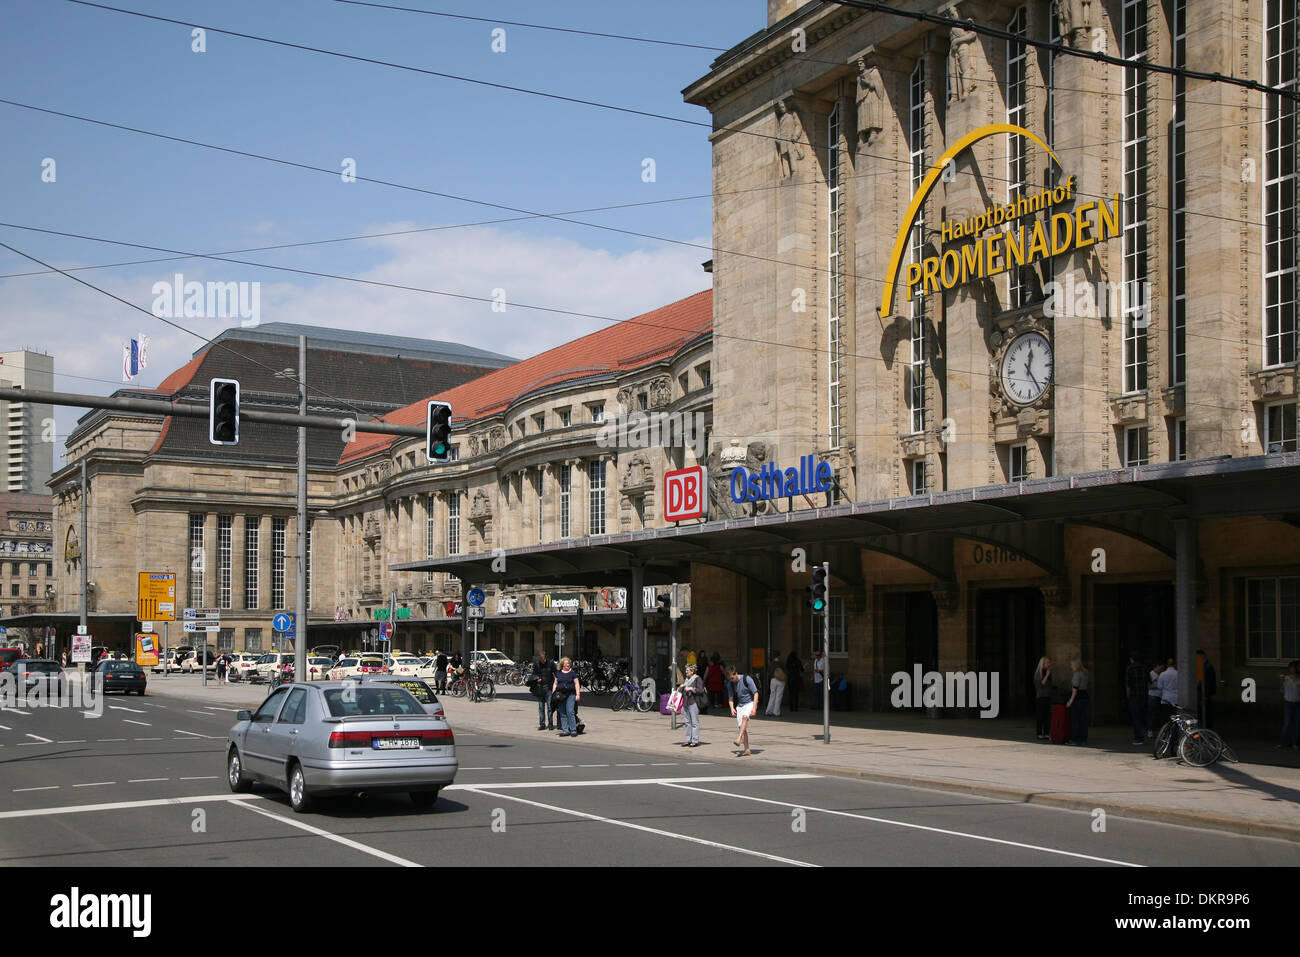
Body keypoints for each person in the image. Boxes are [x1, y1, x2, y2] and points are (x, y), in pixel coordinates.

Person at [726, 665, 759, 756]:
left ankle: (739, 738)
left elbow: (755, 693)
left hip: (749, 703)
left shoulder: (746, 679)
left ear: (736, 674)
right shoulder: (730, 684)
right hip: (740, 706)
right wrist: (732, 708)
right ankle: (747, 749)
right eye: (730, 679)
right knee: (742, 728)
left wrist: (754, 708)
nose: (732, 680)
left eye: (733, 678)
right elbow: (731, 698)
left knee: (745, 718)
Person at [551, 657, 581, 737]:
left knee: (570, 711)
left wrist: (578, 694)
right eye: (566, 663)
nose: (568, 664)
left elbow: (576, 684)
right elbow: (555, 683)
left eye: (569, 663)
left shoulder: (572, 673)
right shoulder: (559, 673)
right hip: (560, 695)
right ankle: (565, 730)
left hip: (570, 694)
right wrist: (553, 693)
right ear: (562, 664)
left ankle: (573, 730)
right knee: (562, 712)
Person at [679, 663, 706, 747]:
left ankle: (695, 740)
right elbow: (682, 691)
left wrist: (691, 688)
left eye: (687, 670)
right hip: (686, 703)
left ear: (692, 671)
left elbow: (701, 690)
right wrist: (681, 688)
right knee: (687, 722)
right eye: (686, 670)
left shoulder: (697, 679)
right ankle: (688, 739)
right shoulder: (687, 679)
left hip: (693, 702)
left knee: (694, 722)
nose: (686, 672)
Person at [1064, 657, 1089, 745]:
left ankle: (1075, 739)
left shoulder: (1077, 674)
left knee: (1075, 720)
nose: (1071, 666)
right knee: (1083, 720)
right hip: (1085, 698)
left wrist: (1070, 701)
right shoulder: (1085, 673)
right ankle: (1083, 739)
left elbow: (1075, 689)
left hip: (1077, 699)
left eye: (1071, 665)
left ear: (1075, 665)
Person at [1124, 651, 1146, 745]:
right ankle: (1143, 735)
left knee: (1136, 717)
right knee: (1142, 716)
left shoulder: (1130, 669)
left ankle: (1138, 738)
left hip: (1134, 695)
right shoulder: (1145, 668)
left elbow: (1128, 684)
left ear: (1131, 659)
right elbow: (1148, 682)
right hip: (1143, 695)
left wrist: (1128, 695)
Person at [532, 648, 557, 730]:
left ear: (546, 658)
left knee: (550, 707)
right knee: (541, 707)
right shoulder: (536, 664)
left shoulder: (551, 663)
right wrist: (537, 679)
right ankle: (542, 724)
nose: (542, 661)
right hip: (540, 688)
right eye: (541, 659)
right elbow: (533, 675)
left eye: (543, 659)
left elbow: (556, 673)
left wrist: (556, 683)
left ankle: (550, 724)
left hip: (549, 687)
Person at [1278, 661, 1300, 750]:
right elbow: (1282, 690)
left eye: (1294, 668)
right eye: (1291, 667)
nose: (1292, 669)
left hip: (1298, 704)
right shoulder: (1286, 678)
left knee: (1297, 724)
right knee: (1286, 724)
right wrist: (1281, 682)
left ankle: (1294, 743)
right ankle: (1282, 743)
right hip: (1288, 703)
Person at [1033, 656, 1053, 739]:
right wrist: (1047, 675)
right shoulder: (1038, 673)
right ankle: (1039, 733)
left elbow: (1049, 684)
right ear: (1043, 663)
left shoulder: (1048, 672)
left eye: (1049, 662)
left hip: (1048, 696)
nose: (1049, 664)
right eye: (1047, 662)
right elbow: (1041, 685)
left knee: (1047, 716)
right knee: (1040, 715)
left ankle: (1046, 732)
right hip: (1041, 697)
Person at [1197, 650, 1217, 729]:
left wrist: (1206, 694)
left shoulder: (1206, 667)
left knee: (1205, 715)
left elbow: (1207, 682)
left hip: (1205, 694)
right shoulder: (1202, 666)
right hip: (1203, 693)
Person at [1156, 658, 1179, 726]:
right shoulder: (1178, 674)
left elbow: (1159, 687)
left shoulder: (1163, 674)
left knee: (1166, 719)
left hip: (1166, 699)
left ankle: (1167, 733)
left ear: (1167, 665)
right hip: (1176, 699)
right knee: (1176, 719)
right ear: (1175, 664)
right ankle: (1175, 734)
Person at [1146, 661, 1165, 738]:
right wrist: (1159, 686)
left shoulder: (1162, 674)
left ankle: (1156, 730)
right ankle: (1150, 730)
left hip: (1161, 696)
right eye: (1161, 668)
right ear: (1157, 666)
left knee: (1158, 714)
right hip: (1153, 696)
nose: (1162, 669)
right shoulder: (1151, 674)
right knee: (1152, 714)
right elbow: (1149, 686)